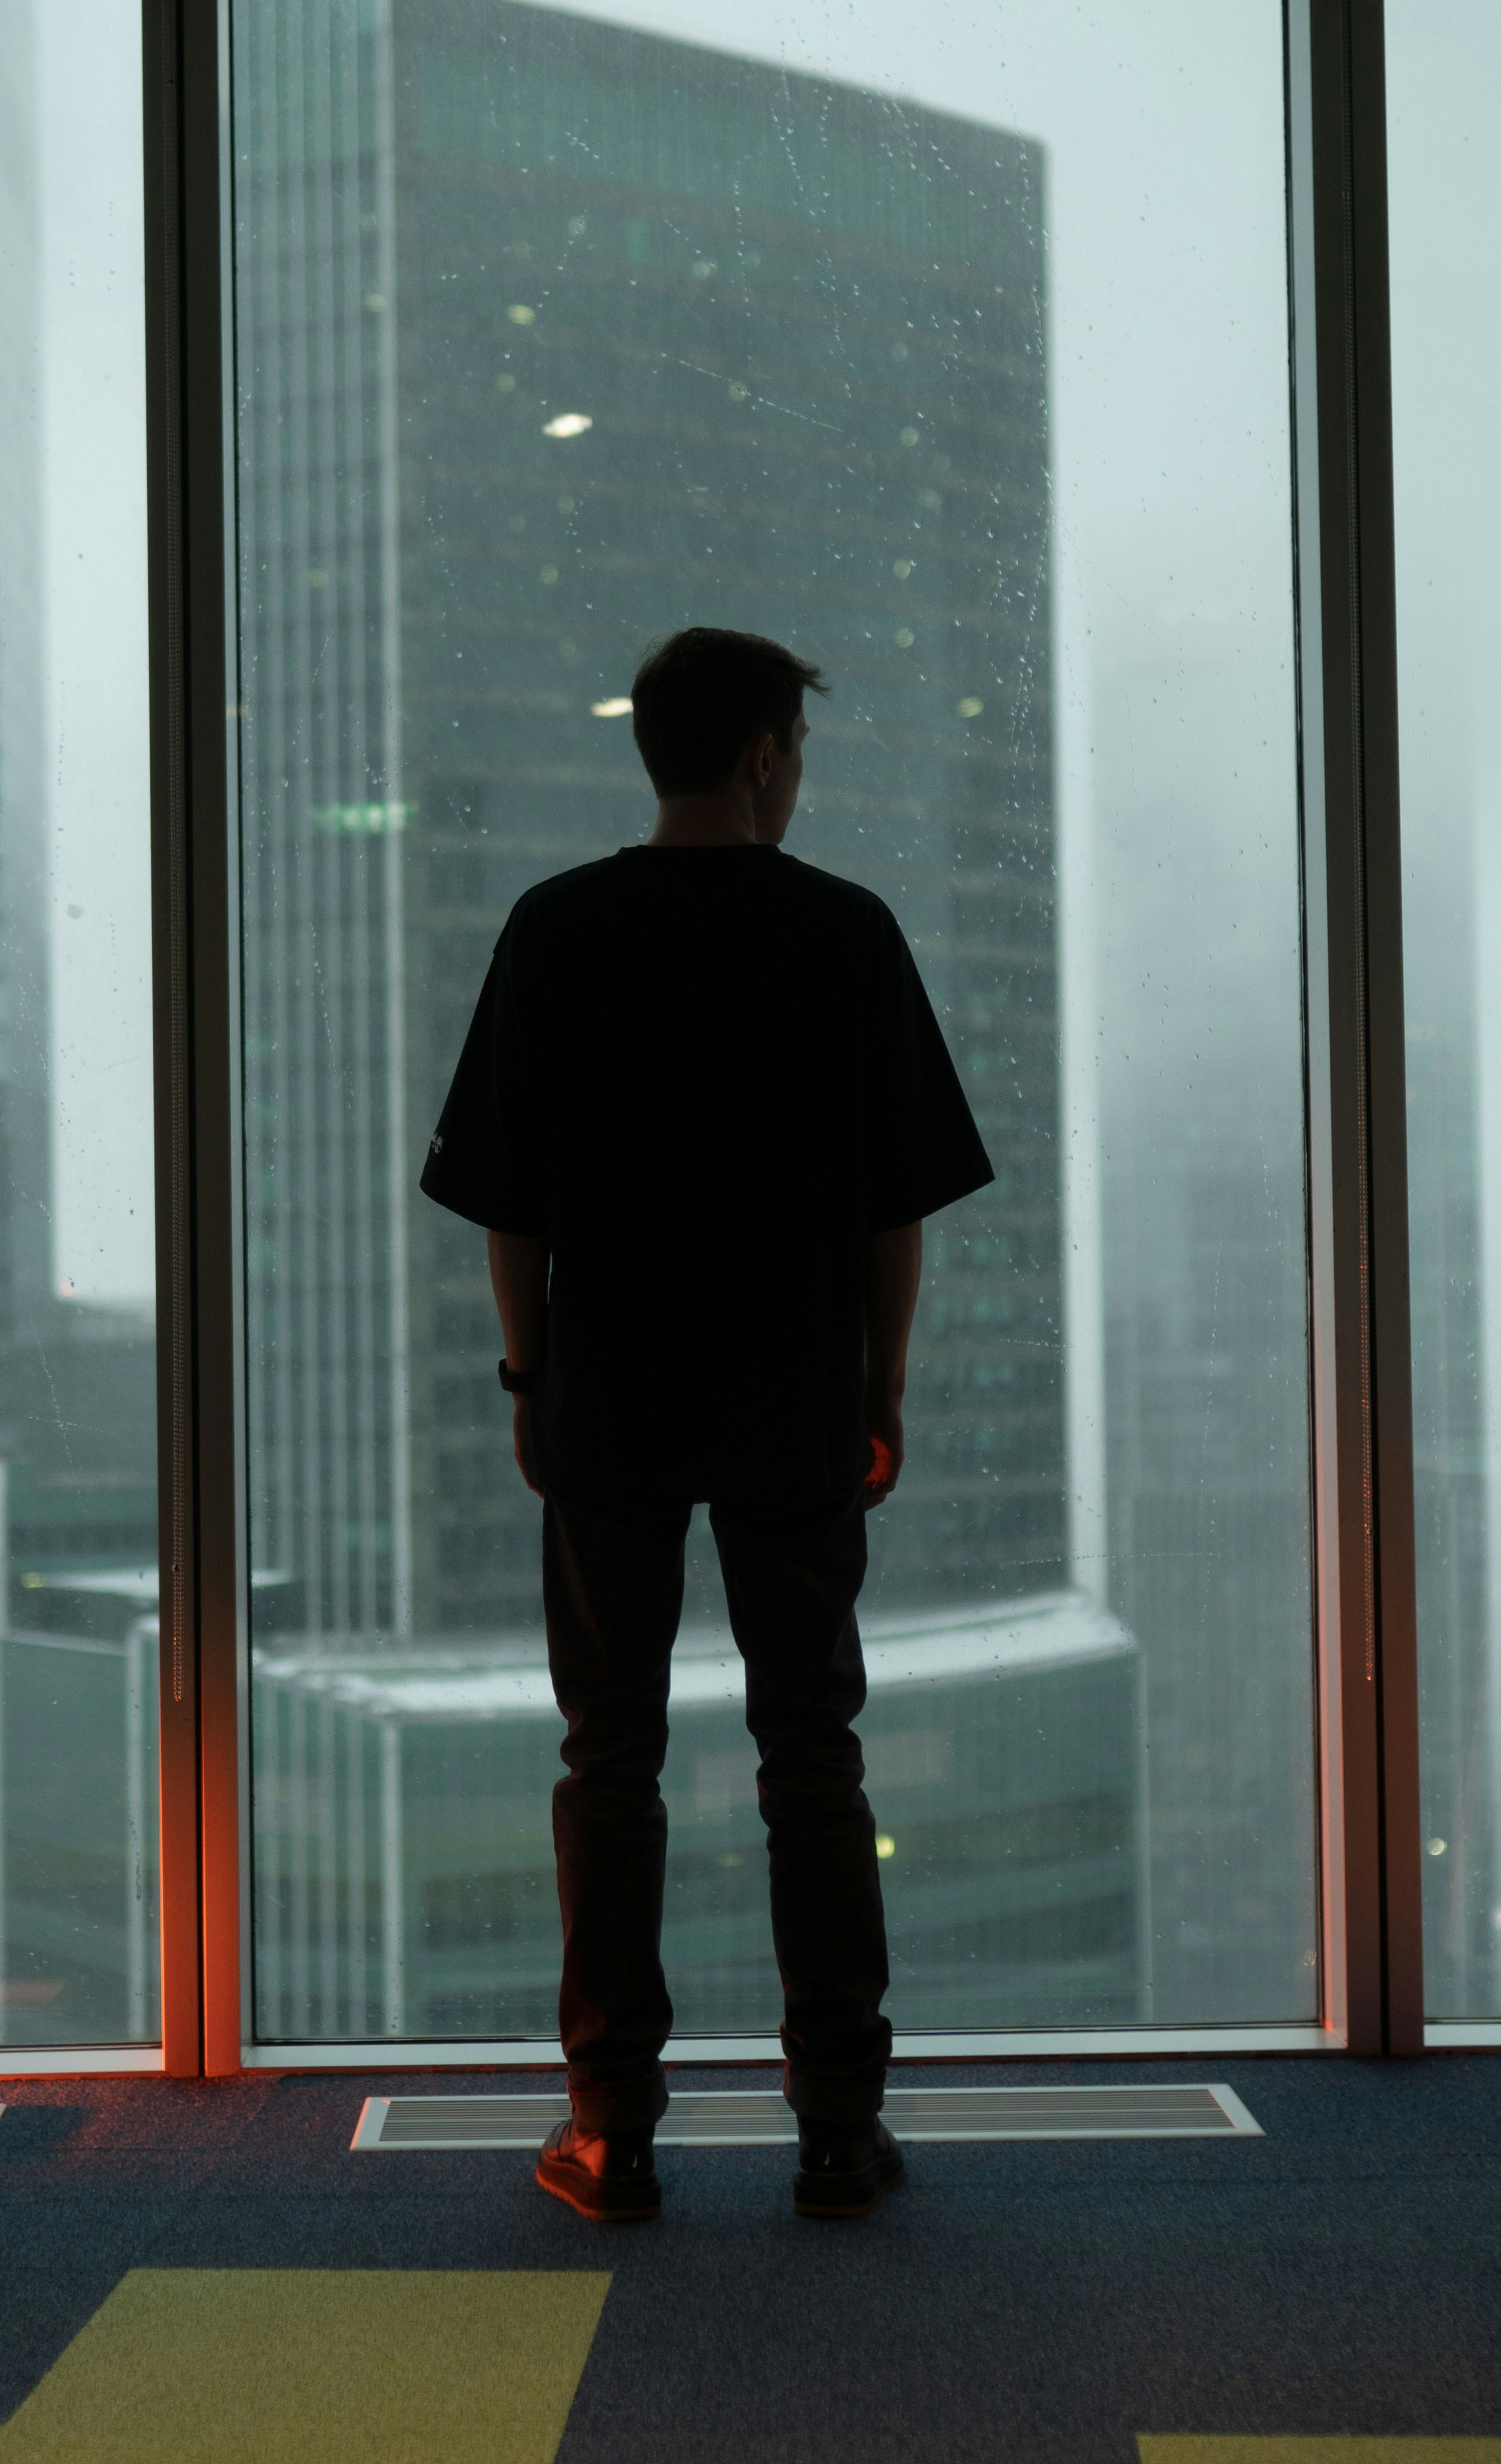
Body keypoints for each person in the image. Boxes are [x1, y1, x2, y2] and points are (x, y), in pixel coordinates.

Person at [419, 625, 994, 2224]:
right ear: (760, 758)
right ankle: (837, 2130)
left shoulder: (558, 929)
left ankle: (609, 2132)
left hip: (609, 1395)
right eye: (796, 757)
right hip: (795, 1396)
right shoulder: (844, 936)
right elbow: (896, 1213)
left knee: (610, 1759)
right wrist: (880, 1394)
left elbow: (507, 1209)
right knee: (810, 1751)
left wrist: (533, 1381)